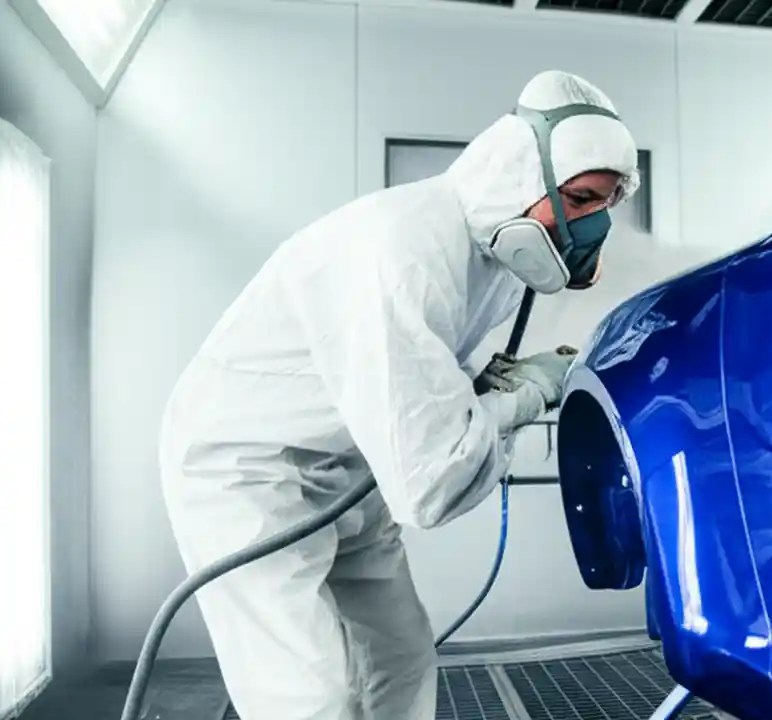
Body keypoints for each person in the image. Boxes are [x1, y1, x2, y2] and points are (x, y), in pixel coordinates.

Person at [157, 70, 640, 719]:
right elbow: (431, 486)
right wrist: (524, 396)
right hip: (247, 470)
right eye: (581, 199)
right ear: (523, 179)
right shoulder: (406, 250)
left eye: (605, 205)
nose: (592, 227)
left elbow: (417, 384)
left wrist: (484, 389)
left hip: (348, 465)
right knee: (307, 695)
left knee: (401, 654)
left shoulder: (490, 256)